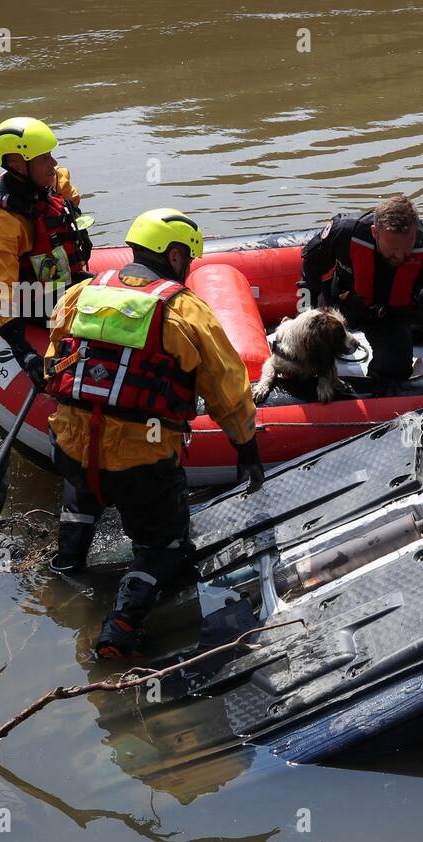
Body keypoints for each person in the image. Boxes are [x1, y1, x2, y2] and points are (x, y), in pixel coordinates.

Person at [43, 209, 263, 659]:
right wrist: (247, 448)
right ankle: (120, 629)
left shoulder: (81, 294)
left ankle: (64, 571)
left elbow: (54, 363)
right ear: (176, 255)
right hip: (139, 463)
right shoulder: (184, 310)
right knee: (166, 549)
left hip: (70, 447)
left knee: (82, 494)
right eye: (189, 259)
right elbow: (227, 388)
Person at [0, 117, 92, 389]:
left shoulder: (48, 183)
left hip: (61, 285)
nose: (53, 164)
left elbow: (69, 198)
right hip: (30, 301)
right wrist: (24, 353)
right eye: (44, 158)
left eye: (51, 155)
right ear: (17, 163)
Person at [299, 194, 423, 383]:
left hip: (387, 315)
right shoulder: (345, 232)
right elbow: (310, 268)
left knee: (395, 368)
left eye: (407, 247)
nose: (400, 255)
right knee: (310, 353)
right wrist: (305, 313)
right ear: (375, 233)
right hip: (340, 304)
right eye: (392, 248)